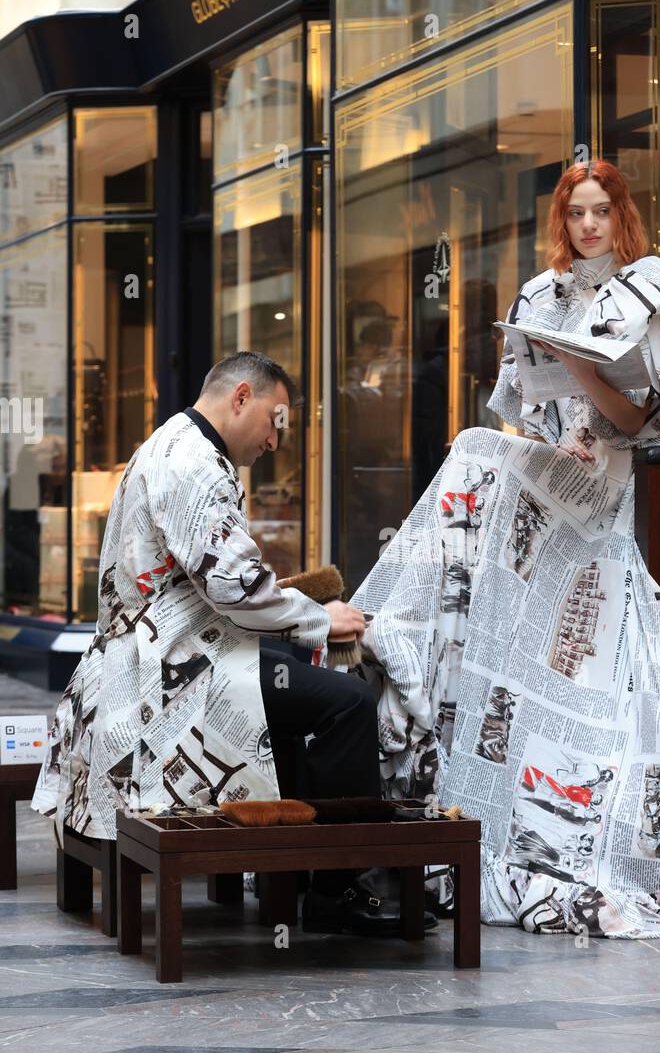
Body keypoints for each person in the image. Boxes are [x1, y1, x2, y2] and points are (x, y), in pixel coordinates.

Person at [335, 160, 660, 940]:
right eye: (576, 214)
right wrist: (550, 424)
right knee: (475, 446)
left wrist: (578, 374)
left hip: (611, 479)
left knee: (470, 453)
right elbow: (524, 406)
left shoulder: (653, 291)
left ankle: (377, 625)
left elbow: (641, 425)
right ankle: (395, 636)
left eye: (601, 211)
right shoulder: (536, 294)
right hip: (551, 469)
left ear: (620, 215)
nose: (589, 226)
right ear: (561, 221)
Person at [31, 351, 433, 937]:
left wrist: (295, 614)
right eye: (276, 420)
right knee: (348, 702)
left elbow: (213, 579)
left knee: (298, 679)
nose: (276, 440)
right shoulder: (195, 464)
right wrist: (322, 619)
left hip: (158, 651)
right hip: (171, 668)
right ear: (240, 397)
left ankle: (294, 870)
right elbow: (234, 586)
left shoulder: (169, 440)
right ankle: (335, 888)